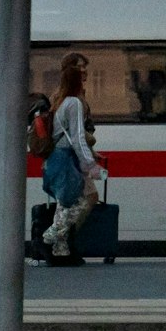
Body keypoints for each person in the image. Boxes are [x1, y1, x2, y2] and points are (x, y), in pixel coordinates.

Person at [39, 59, 104, 266]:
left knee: (65, 203)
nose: (86, 76)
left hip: (56, 157)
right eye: (82, 74)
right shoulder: (74, 103)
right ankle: (50, 236)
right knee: (83, 200)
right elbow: (77, 137)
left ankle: (60, 251)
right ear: (76, 81)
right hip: (68, 158)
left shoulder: (60, 101)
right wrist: (90, 164)